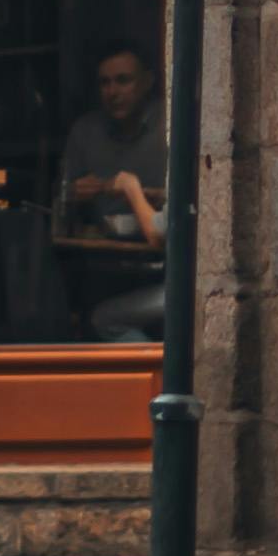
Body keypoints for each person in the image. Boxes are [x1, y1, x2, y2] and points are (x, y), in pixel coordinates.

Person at [50, 37, 168, 340]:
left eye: (123, 81)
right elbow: (61, 207)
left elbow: (160, 235)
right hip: (106, 264)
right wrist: (72, 195)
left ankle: (157, 383)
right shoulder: (86, 132)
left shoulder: (169, 129)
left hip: (171, 273)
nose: (113, 92)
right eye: (105, 83)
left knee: (106, 319)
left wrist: (132, 188)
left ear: (147, 82)